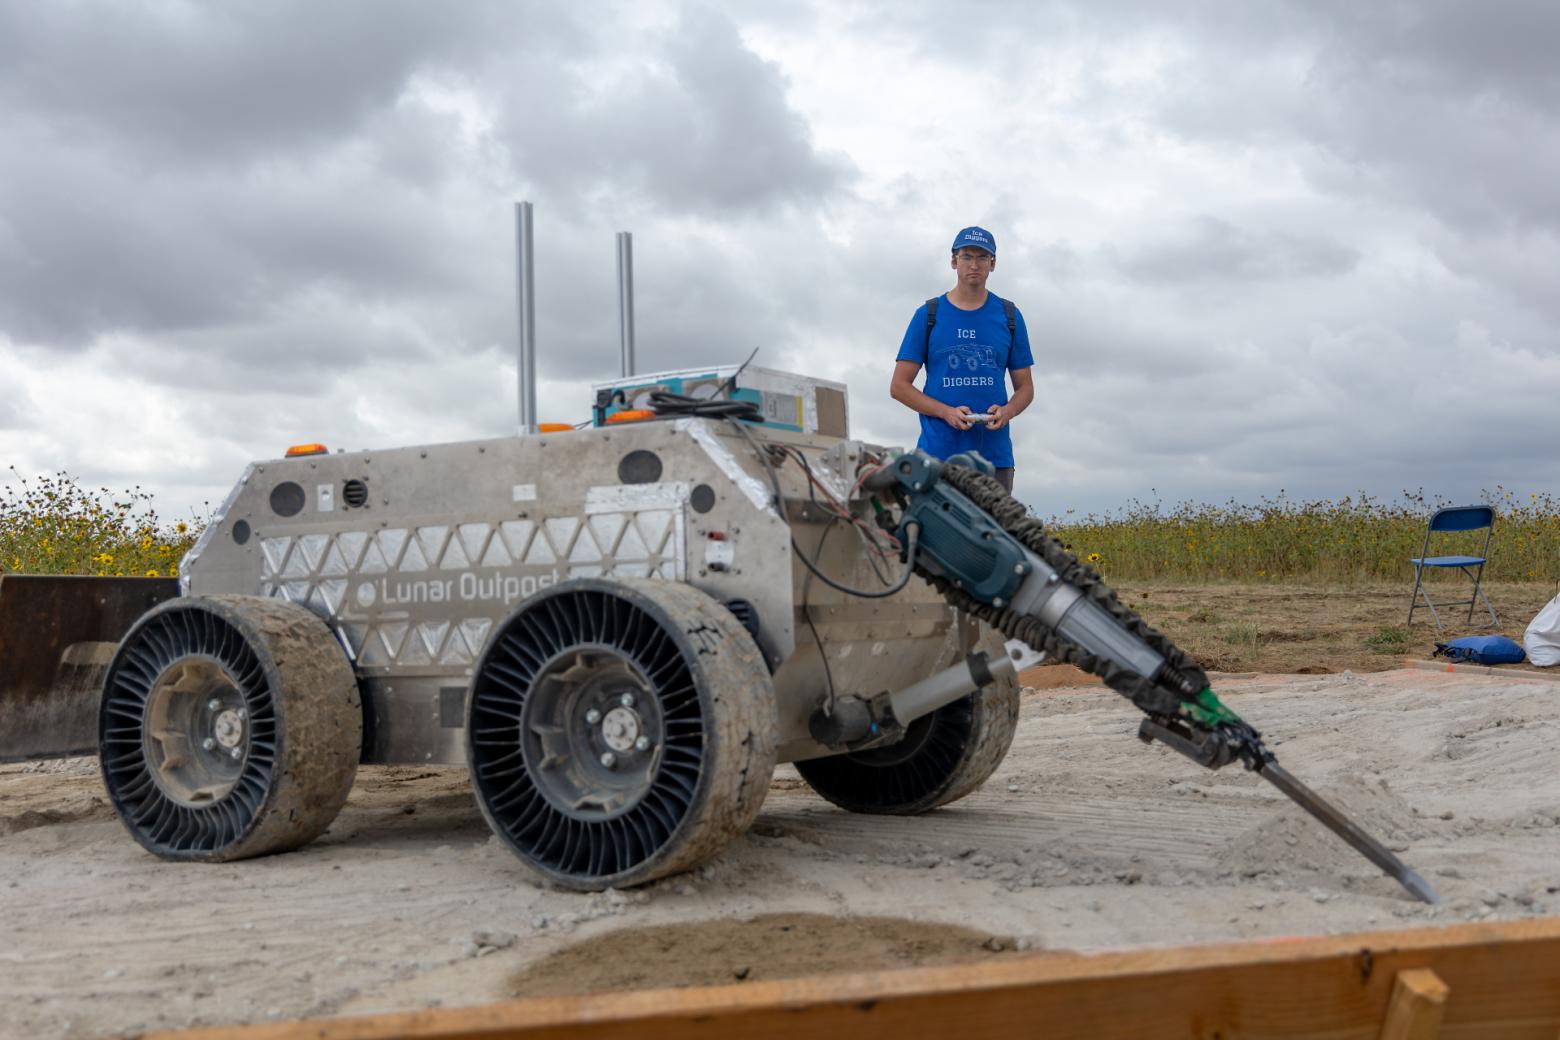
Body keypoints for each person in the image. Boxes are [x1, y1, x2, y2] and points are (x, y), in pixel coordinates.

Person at [890, 226, 1034, 493]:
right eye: (967, 256)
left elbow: (1025, 388)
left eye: (982, 257)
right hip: (937, 458)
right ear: (954, 261)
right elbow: (899, 387)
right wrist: (945, 412)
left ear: (993, 264)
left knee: (995, 523)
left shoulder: (1009, 316)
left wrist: (1008, 411)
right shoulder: (928, 315)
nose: (974, 265)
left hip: (995, 460)